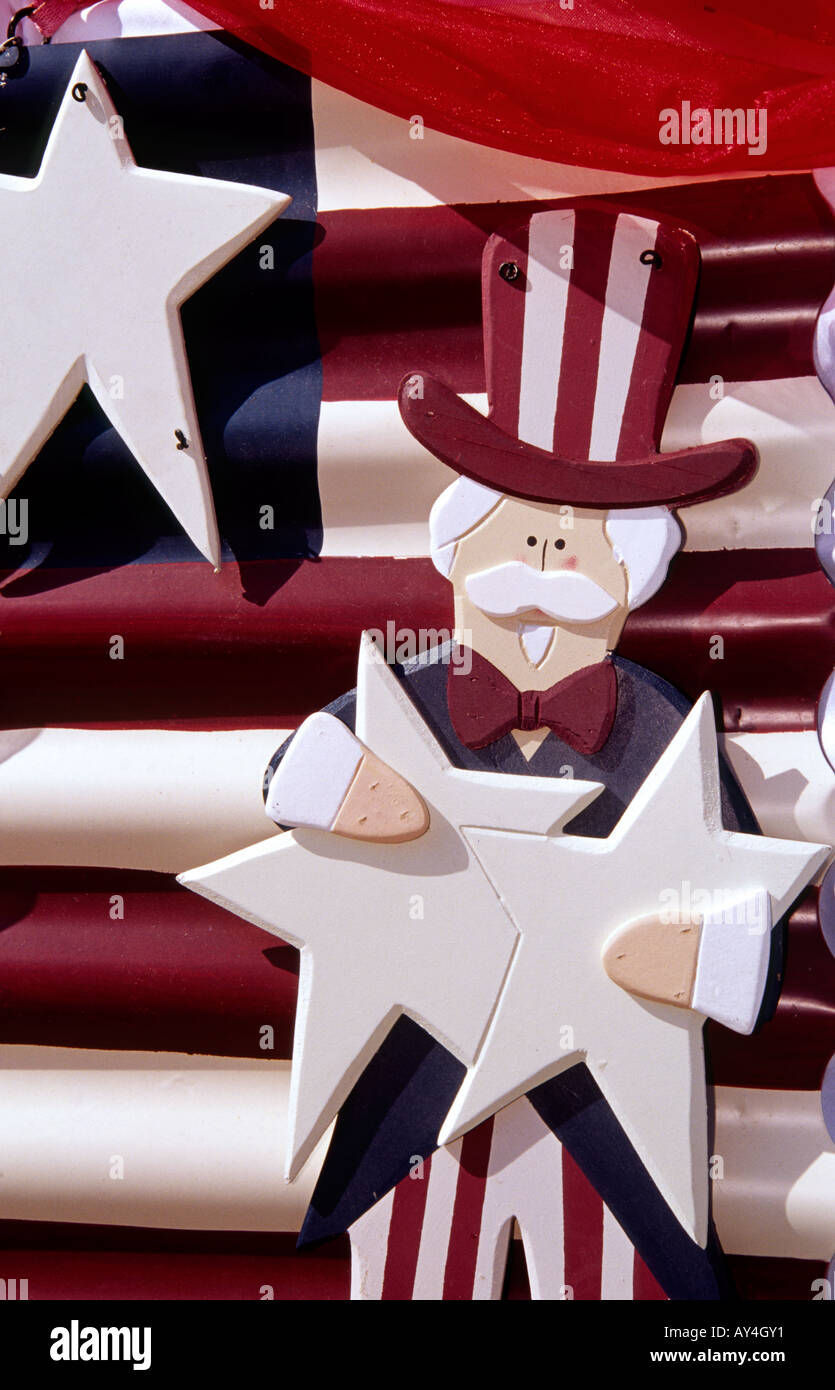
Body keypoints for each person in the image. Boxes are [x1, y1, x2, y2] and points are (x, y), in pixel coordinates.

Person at [265, 205, 766, 1298]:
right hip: (417, 1106)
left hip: (610, 1124)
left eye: (578, 531)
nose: (545, 553)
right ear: (460, 538)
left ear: (630, 568)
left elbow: (741, 902)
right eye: (522, 522)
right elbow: (295, 778)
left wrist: (702, 957)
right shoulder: (400, 706)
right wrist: (334, 781)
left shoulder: (654, 729)